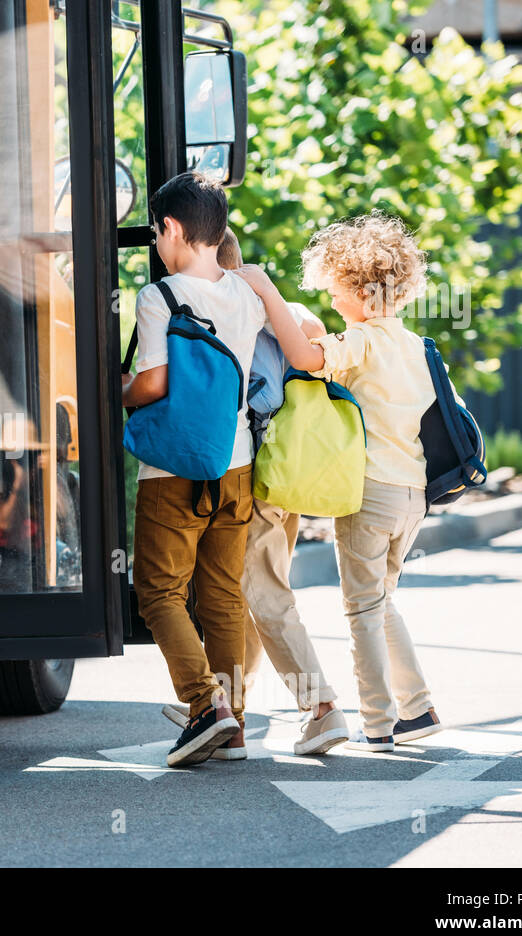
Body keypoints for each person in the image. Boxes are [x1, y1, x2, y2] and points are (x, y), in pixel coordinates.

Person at [234, 211, 444, 752]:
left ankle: (378, 721)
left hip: (370, 492)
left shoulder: (362, 341)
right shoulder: (415, 345)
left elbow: (307, 356)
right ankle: (417, 708)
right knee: (383, 600)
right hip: (413, 495)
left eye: (335, 291)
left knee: (361, 609)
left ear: (356, 290)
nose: (331, 302)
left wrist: (264, 288)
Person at [122, 173, 262, 766]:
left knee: (157, 592)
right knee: (223, 596)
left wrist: (118, 389)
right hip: (236, 466)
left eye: (156, 232)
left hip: (174, 470)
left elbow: (153, 382)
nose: (156, 244)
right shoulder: (246, 296)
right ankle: (233, 725)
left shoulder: (161, 296)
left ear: (172, 229)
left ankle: (205, 708)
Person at [217, 229, 351, 756]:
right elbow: (312, 335)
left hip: (253, 474)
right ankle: (232, 713)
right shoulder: (291, 313)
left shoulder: (224, 315)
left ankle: (320, 705)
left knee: (262, 593)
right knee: (252, 593)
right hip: (289, 474)